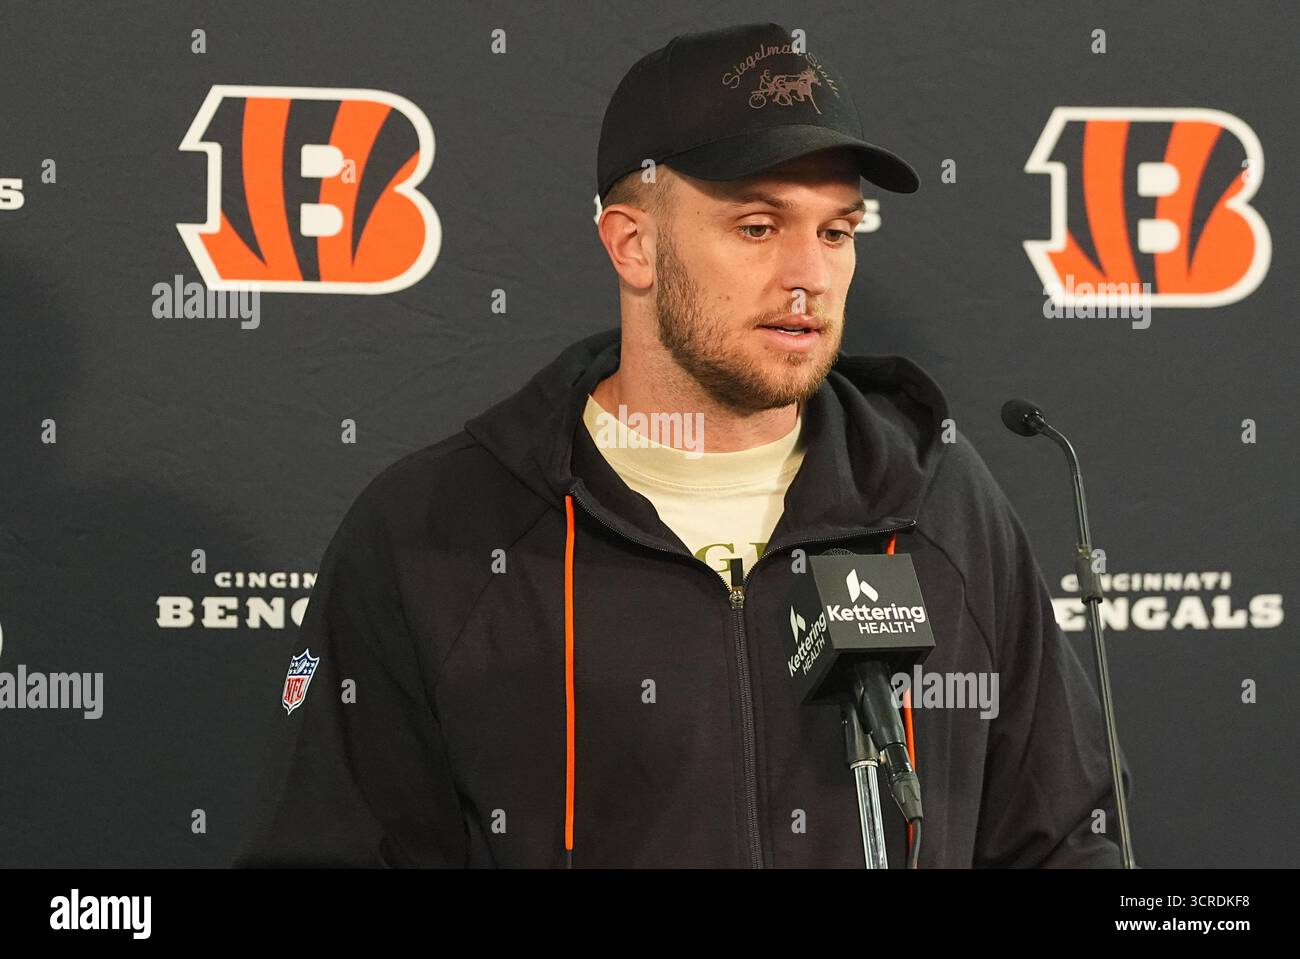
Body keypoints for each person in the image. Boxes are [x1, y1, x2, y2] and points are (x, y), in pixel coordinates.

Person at [236, 21, 1131, 868]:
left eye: (837, 231)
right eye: (757, 227)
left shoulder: (938, 502)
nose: (810, 276)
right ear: (633, 246)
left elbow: (1061, 841)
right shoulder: (437, 532)